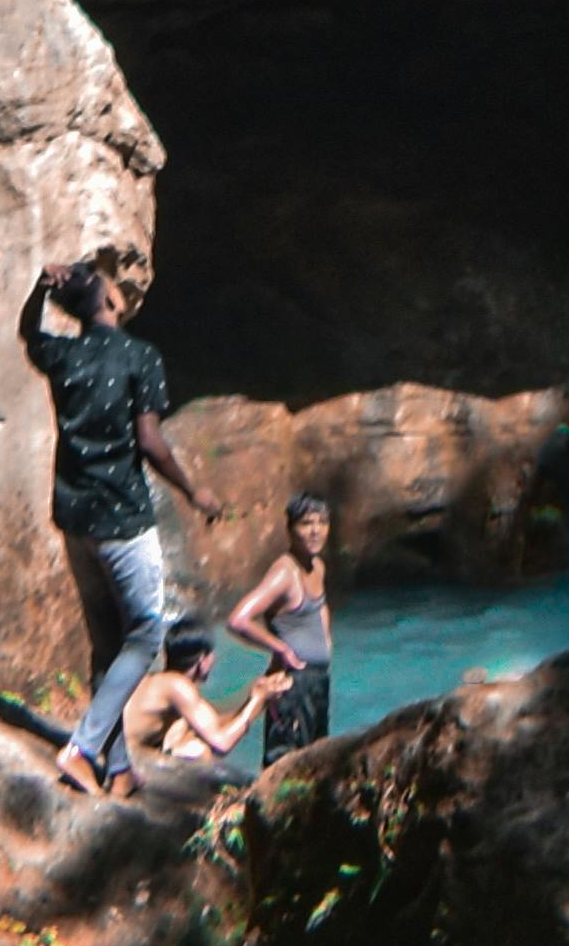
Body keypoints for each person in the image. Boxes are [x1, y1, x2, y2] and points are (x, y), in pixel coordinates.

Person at [19, 249, 207, 794]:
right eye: (112, 284)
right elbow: (150, 441)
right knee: (147, 635)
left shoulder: (63, 355)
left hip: (75, 519)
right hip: (122, 519)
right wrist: (195, 490)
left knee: (107, 645)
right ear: (109, 300)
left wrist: (38, 289)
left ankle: (119, 768)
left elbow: (28, 333)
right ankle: (81, 747)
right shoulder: (140, 357)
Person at [115, 492, 335, 789]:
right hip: (293, 681)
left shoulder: (318, 567)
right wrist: (280, 650)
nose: (315, 530)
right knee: (286, 762)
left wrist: (254, 696)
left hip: (317, 679)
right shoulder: (285, 572)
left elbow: (213, 720)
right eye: (307, 523)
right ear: (290, 529)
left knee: (317, 760)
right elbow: (238, 619)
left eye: (322, 523)